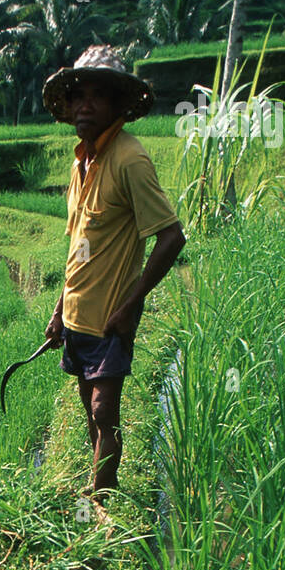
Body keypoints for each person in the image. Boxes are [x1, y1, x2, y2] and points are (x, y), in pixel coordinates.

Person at [41, 46, 186, 496]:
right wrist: (60, 309)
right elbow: (79, 246)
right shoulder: (81, 161)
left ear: (119, 106)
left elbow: (171, 237)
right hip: (78, 315)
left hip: (110, 319)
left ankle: (100, 495)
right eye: (78, 96)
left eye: (97, 97)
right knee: (90, 411)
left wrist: (131, 305)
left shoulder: (129, 159)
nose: (85, 105)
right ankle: (100, 486)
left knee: (106, 412)